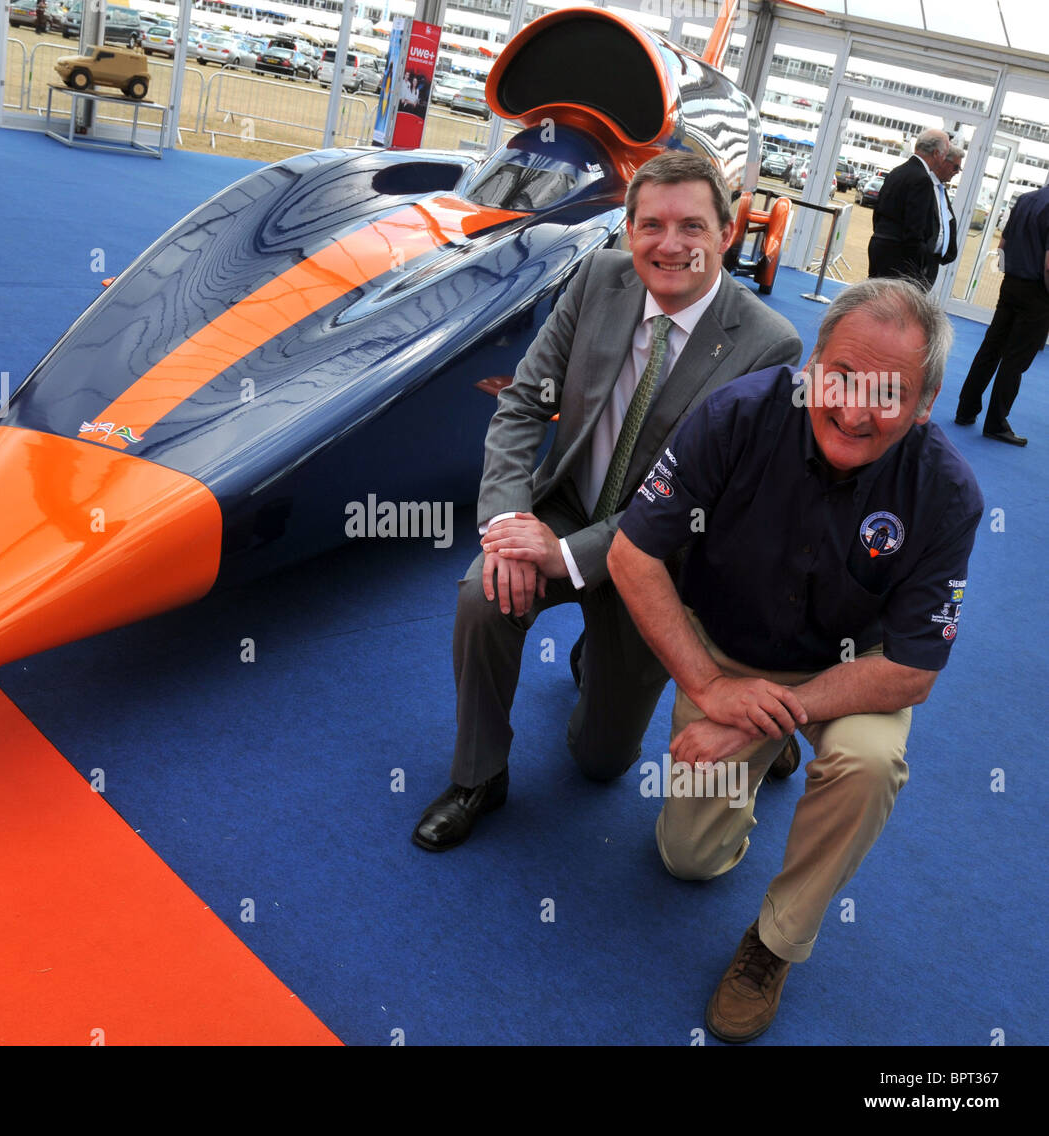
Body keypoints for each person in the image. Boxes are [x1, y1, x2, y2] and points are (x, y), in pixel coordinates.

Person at [605, 277, 982, 1042]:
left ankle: (776, 943)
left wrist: (760, 719)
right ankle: (771, 748)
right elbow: (630, 556)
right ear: (812, 364)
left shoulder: (948, 495)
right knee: (686, 860)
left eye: (889, 393)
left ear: (925, 403)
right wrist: (711, 687)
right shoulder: (734, 415)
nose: (855, 409)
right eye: (841, 375)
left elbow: (912, 670)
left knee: (870, 763)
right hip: (729, 652)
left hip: (850, 674)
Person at [411, 151, 803, 853]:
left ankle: (598, 650)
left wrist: (566, 557)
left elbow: (700, 498)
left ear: (726, 233)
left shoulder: (767, 347)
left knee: (599, 765)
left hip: (657, 559)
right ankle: (479, 775)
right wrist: (510, 524)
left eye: (692, 226)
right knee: (485, 593)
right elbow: (523, 404)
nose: (670, 245)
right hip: (569, 504)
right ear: (628, 229)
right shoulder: (597, 278)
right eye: (651, 225)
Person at [953, 179, 1049, 446]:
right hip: (1037, 292)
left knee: (990, 349)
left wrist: (1009, 275)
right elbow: (1048, 265)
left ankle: (965, 410)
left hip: (1011, 285)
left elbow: (1002, 245)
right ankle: (996, 424)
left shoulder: (1025, 199)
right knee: (1015, 361)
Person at [867, 129, 962, 288]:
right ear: (936, 154)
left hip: (880, 246)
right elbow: (914, 229)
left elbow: (878, 212)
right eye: (945, 154)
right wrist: (920, 262)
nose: (944, 160)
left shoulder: (897, 171)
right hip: (900, 257)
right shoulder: (922, 179)